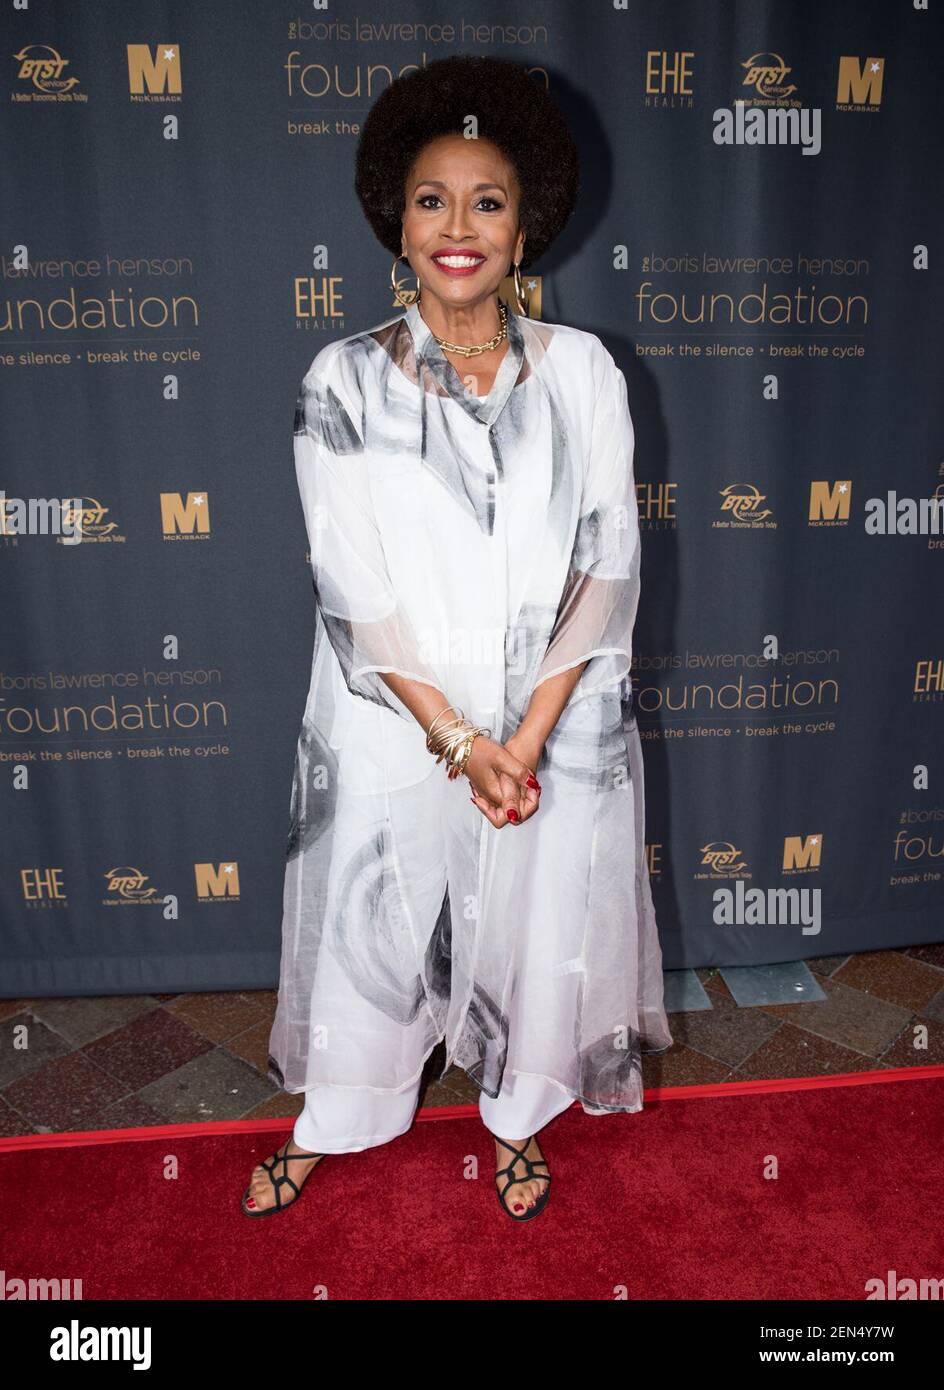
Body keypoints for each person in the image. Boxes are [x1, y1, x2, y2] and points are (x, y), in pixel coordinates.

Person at [242, 54, 673, 1225]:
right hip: (395, 718)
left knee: (538, 915)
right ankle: (344, 1108)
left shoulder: (582, 374)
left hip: (550, 720)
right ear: (398, 219)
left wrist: (523, 741)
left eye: (487, 201)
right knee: (369, 921)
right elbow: (351, 582)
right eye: (432, 198)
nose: (457, 225)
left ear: (523, 229)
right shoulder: (340, 380)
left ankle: (517, 1112)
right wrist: (456, 742)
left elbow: (604, 560)